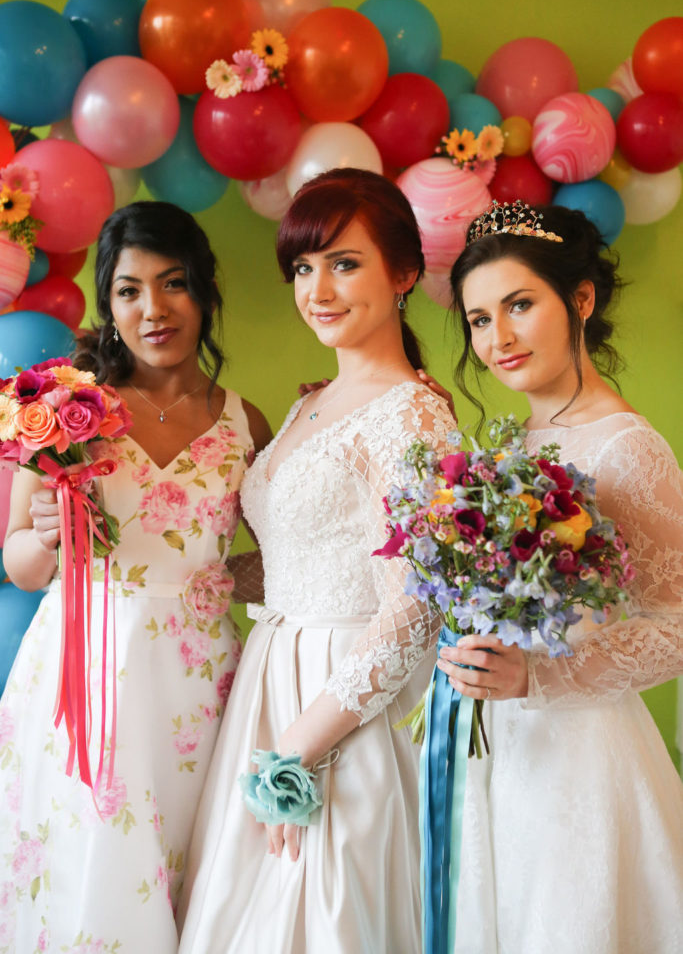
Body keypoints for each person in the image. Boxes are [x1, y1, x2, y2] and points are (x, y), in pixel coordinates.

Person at [177, 168, 456, 953]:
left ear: (402, 273)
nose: (317, 289)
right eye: (304, 267)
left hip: (341, 700)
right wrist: (196, 581)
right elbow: (305, 554)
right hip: (272, 673)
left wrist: (303, 741)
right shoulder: (311, 402)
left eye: (344, 263)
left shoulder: (411, 417)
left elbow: (413, 603)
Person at [0, 201, 271, 952]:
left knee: (191, 861)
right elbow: (19, 566)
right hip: (83, 673)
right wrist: (47, 538)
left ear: (205, 292)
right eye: (128, 290)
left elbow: (279, 561)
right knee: (88, 863)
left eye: (173, 283)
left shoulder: (246, 424)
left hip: (199, 681)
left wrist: (221, 581)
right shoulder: (60, 407)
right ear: (108, 302)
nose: (152, 309)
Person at [437, 201, 683, 954]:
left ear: (579, 299)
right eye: (478, 319)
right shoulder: (513, 439)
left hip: (580, 758)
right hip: (496, 751)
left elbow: (677, 626)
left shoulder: (623, 449)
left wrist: (539, 679)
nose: (497, 338)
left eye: (518, 305)